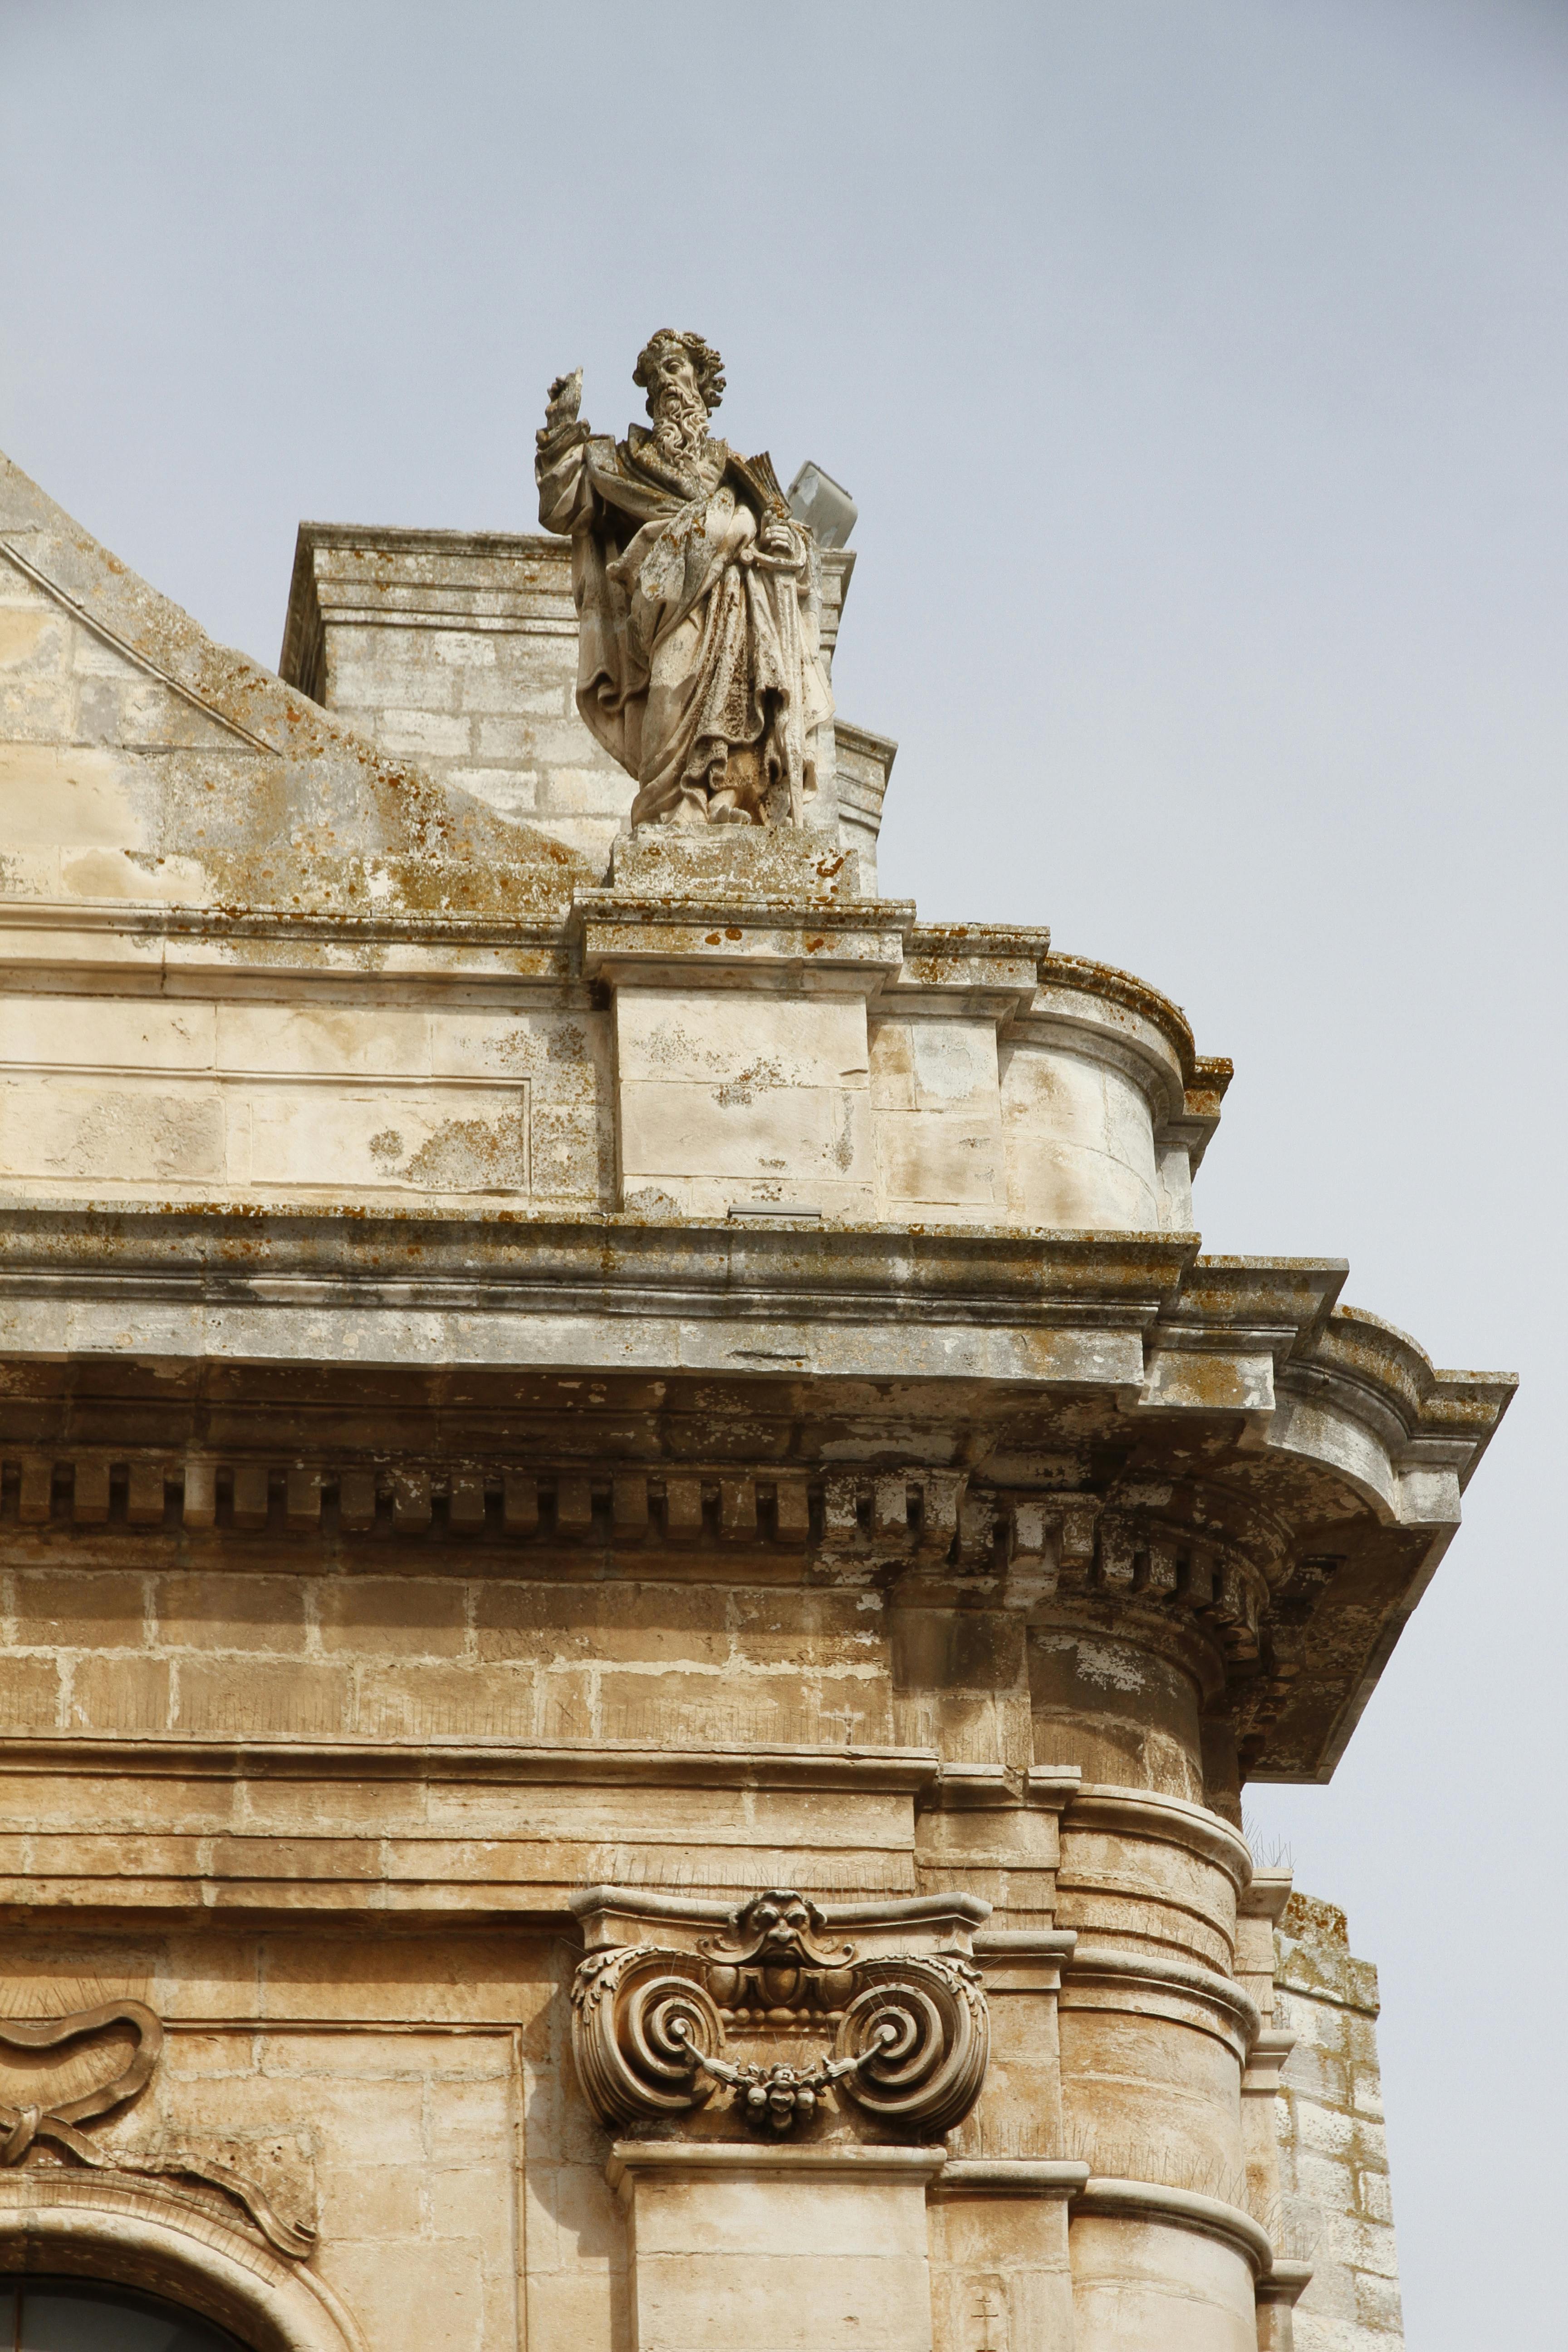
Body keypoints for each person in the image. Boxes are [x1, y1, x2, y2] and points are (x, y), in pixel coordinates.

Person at [535, 331, 834, 828]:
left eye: (674, 369)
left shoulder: (736, 470)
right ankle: (670, 803)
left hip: (735, 597)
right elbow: (563, 502)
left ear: (700, 382)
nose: (666, 383)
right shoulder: (623, 461)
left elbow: (789, 535)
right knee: (671, 686)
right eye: (656, 379)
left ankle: (727, 796)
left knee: (740, 698)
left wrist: (778, 538)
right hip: (664, 602)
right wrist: (562, 431)